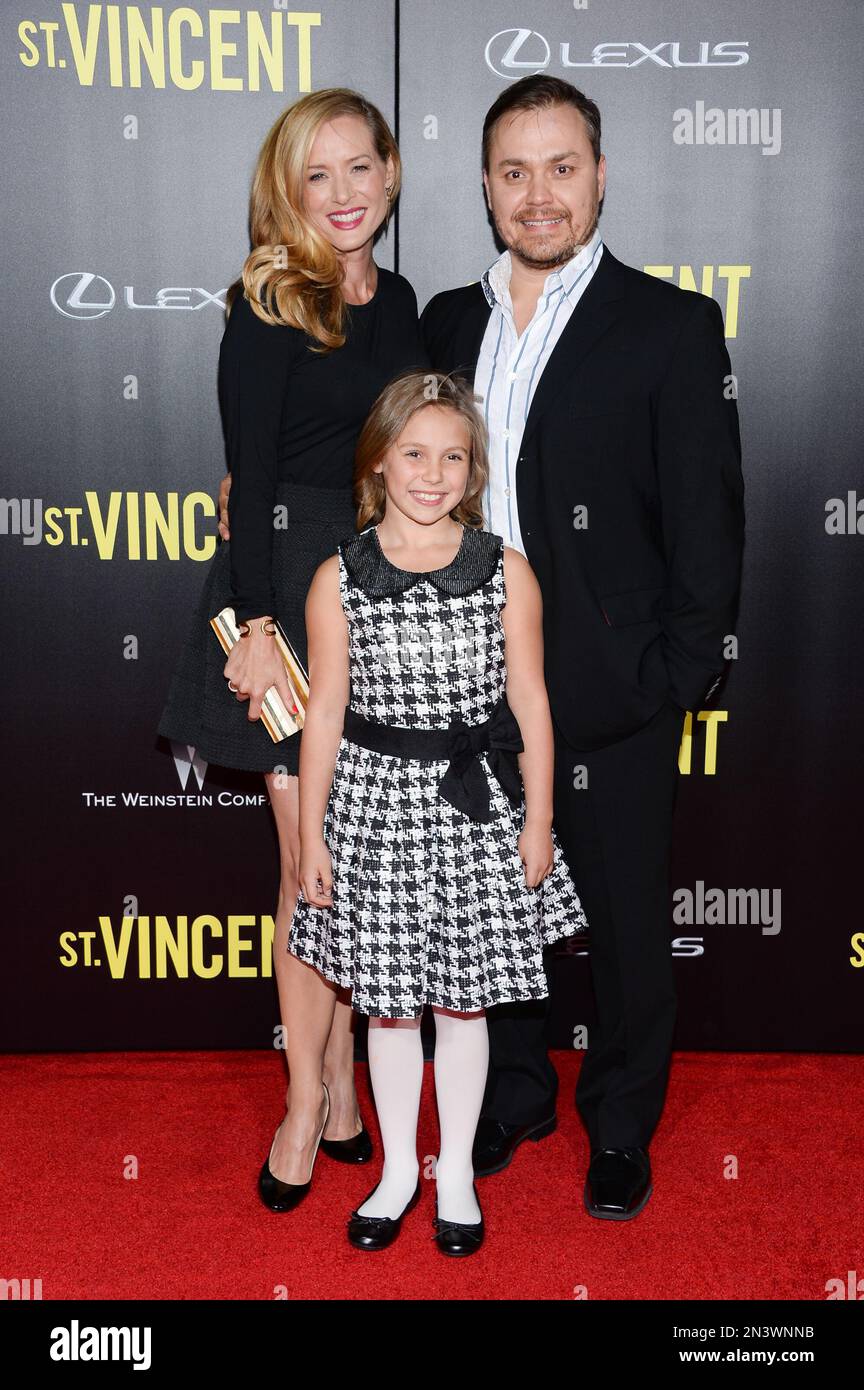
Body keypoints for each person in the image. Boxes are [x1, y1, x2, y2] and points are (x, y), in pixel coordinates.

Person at [420, 76, 745, 1219]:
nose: (539, 194)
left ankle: (620, 1122)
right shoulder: (445, 322)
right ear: (486, 187)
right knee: (490, 907)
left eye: (562, 168)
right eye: (514, 171)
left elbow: (709, 520)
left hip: (614, 687)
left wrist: (677, 669)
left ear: (602, 175)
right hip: (464, 678)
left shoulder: (668, 324)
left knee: (622, 916)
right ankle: (514, 1093)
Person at [157, 88, 429, 1210]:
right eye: (317, 176)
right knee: (310, 861)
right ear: (286, 188)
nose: (343, 194)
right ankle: (302, 1103)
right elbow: (252, 476)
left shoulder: (404, 300)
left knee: (354, 854)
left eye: (359, 168)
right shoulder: (266, 303)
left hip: (375, 595)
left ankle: (351, 1082)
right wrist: (260, 632)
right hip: (279, 599)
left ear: (391, 172)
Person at [284, 369, 588, 1255]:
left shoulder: (507, 571)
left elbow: (531, 705)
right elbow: (326, 715)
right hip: (373, 807)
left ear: (474, 470)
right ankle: (394, 1172)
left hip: (477, 808)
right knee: (386, 1009)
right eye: (414, 453)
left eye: (453, 456)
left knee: (461, 1008)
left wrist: (537, 822)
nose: (433, 473)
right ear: (378, 462)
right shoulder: (338, 575)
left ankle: (454, 1169)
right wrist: (312, 836)